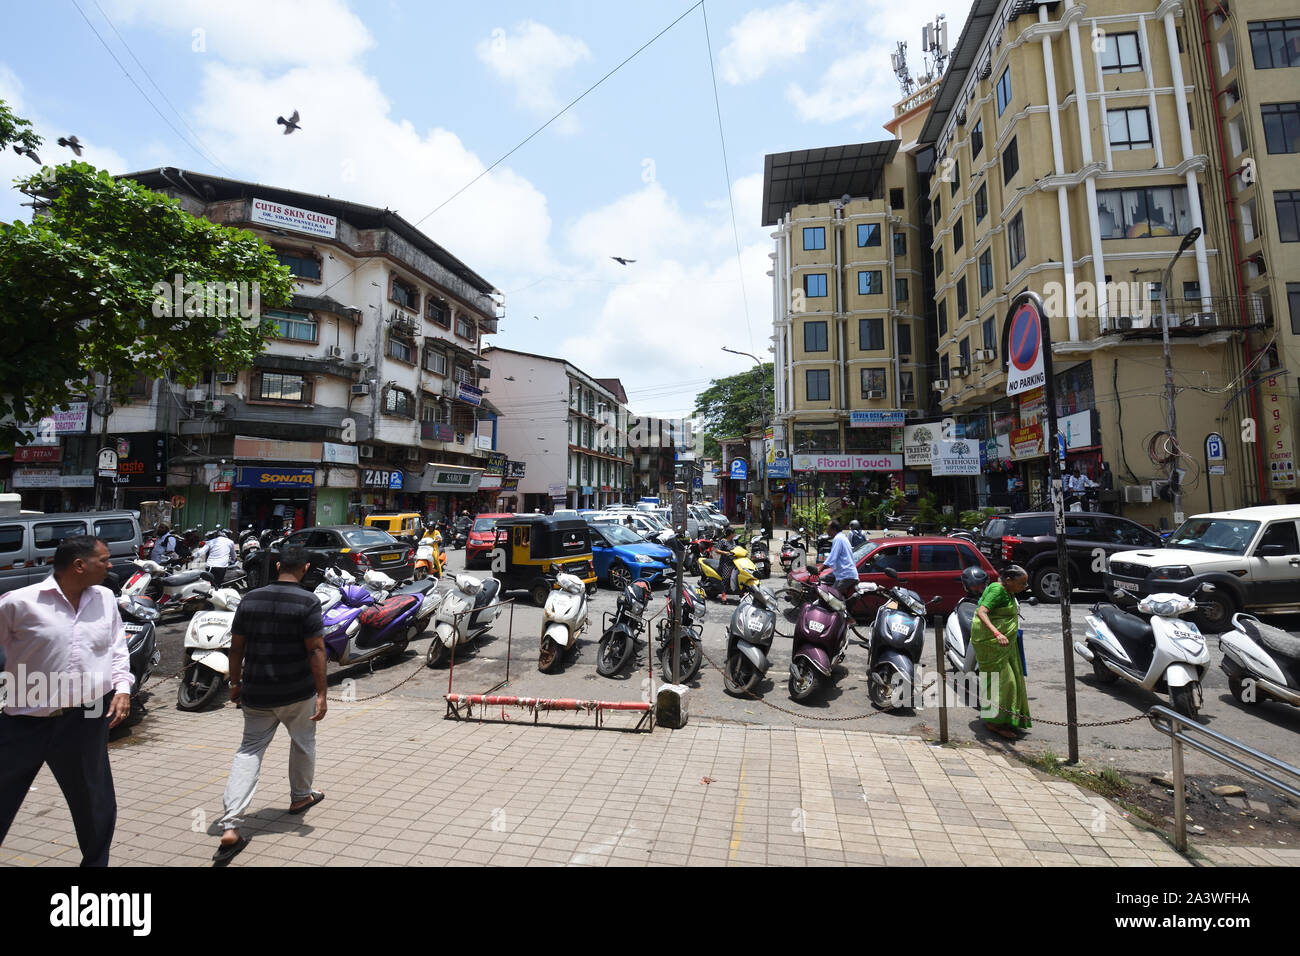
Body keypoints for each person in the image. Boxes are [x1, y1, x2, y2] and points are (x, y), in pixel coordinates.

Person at [0, 536, 133, 866]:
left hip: (86, 715)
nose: (110, 565)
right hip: (23, 718)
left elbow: (116, 649)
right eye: (103, 560)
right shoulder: (19, 602)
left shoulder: (104, 598)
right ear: (79, 565)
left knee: (95, 803)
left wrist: (122, 688)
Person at [213, 545, 327, 864]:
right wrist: (323, 693)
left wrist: (235, 684)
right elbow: (316, 650)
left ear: (277, 565)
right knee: (303, 743)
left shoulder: (250, 599)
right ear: (304, 568)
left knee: (249, 751)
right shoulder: (308, 600)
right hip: (298, 692)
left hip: (257, 692)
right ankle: (300, 797)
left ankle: (231, 825)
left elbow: (236, 649)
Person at [971, 565, 1033, 740]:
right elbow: (982, 612)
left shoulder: (1009, 592)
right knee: (1005, 683)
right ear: (1008, 580)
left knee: (1013, 682)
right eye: (1022, 583)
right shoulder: (997, 590)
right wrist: (997, 633)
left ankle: (1007, 719)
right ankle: (994, 722)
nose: (1024, 587)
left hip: (1006, 645)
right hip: (992, 644)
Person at [825, 520, 860, 599]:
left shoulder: (838, 539)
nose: (827, 531)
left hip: (846, 575)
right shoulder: (842, 537)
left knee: (831, 597)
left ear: (833, 529)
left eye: (828, 529)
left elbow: (833, 556)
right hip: (845, 573)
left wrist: (820, 568)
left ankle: (840, 611)